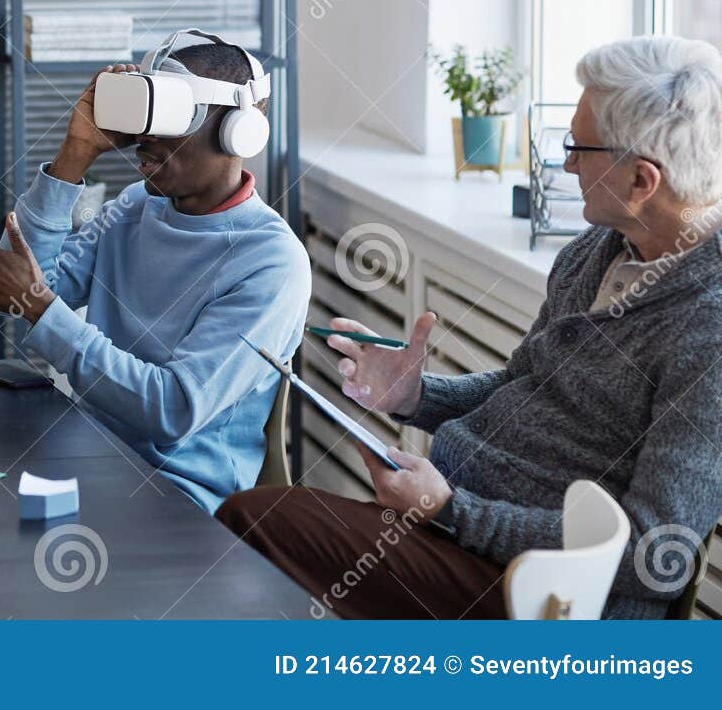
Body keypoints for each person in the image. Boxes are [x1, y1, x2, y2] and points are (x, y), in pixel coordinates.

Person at [218, 35, 722, 619]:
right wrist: (416, 396)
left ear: (643, 181)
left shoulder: (706, 327)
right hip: (457, 530)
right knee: (262, 528)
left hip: (542, 594)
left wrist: (452, 510)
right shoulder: (598, 252)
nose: (566, 162)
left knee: (253, 521)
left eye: (578, 146)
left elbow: (658, 557)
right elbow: (523, 387)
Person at [0, 38, 310, 512]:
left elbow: (173, 409)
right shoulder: (138, 205)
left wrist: (37, 305)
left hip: (174, 497)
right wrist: (76, 154)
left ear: (240, 131)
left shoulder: (272, 262)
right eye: (145, 115)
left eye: (173, 116)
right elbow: (31, 283)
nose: (144, 139)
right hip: (90, 455)